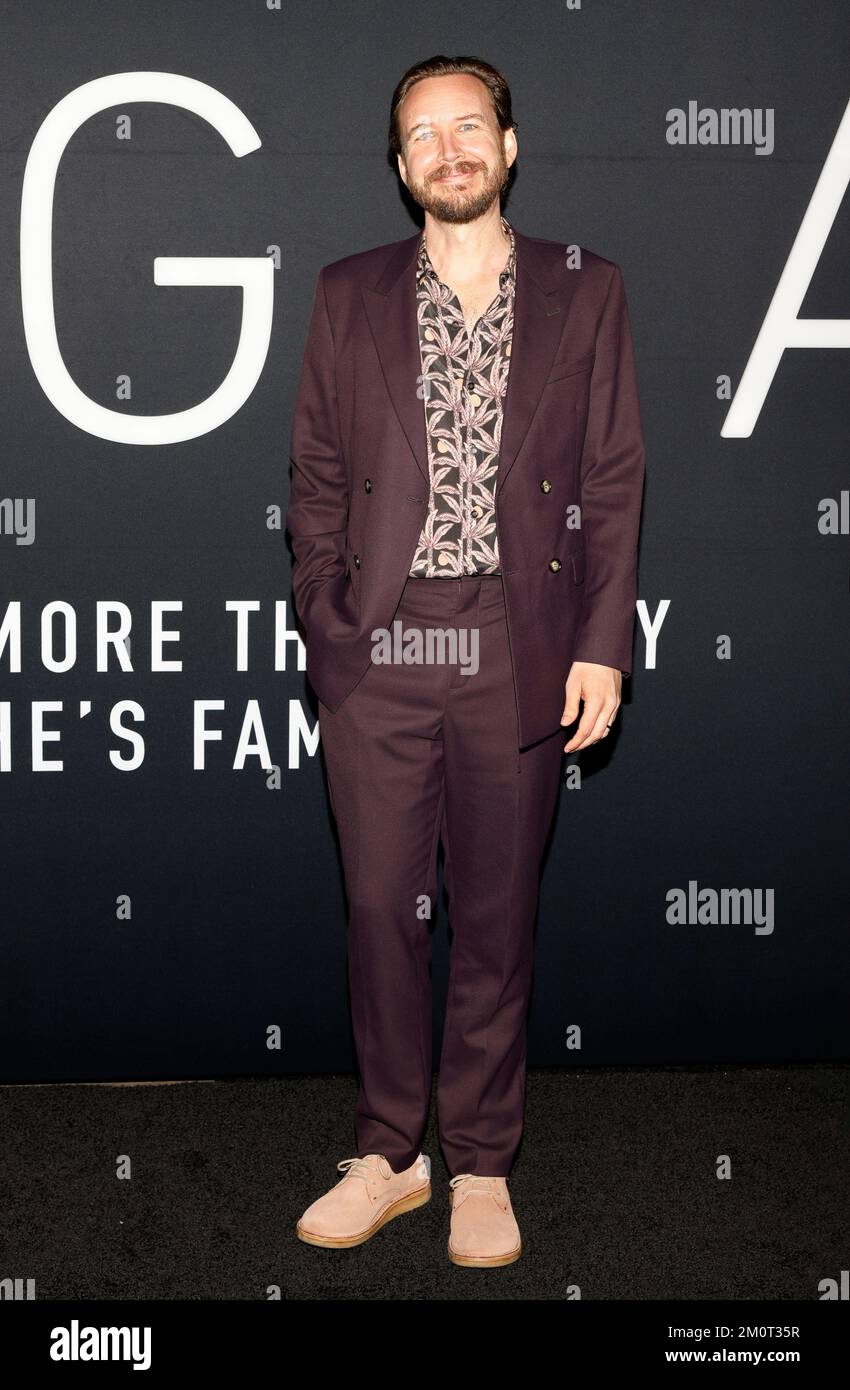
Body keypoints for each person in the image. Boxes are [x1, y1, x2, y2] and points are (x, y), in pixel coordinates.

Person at [286, 54, 645, 1267]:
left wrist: (601, 644)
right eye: (422, 133)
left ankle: (482, 1160)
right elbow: (318, 477)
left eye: (468, 125)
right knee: (383, 905)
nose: (448, 148)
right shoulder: (347, 291)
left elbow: (612, 476)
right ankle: (390, 1150)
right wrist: (329, 631)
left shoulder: (585, 290)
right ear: (400, 167)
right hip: (382, 645)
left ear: (506, 145)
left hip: (516, 640)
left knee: (493, 915)